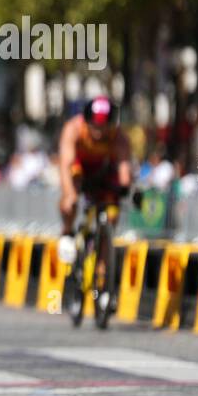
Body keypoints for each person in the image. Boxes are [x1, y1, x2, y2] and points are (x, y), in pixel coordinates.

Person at [57, 95, 133, 268]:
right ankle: (67, 232)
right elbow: (65, 164)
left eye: (103, 126)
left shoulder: (119, 137)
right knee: (70, 201)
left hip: (104, 171)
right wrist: (69, 194)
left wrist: (124, 189)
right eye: (95, 126)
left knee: (112, 213)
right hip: (79, 169)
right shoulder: (73, 129)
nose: (99, 131)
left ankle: (102, 269)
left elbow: (124, 170)